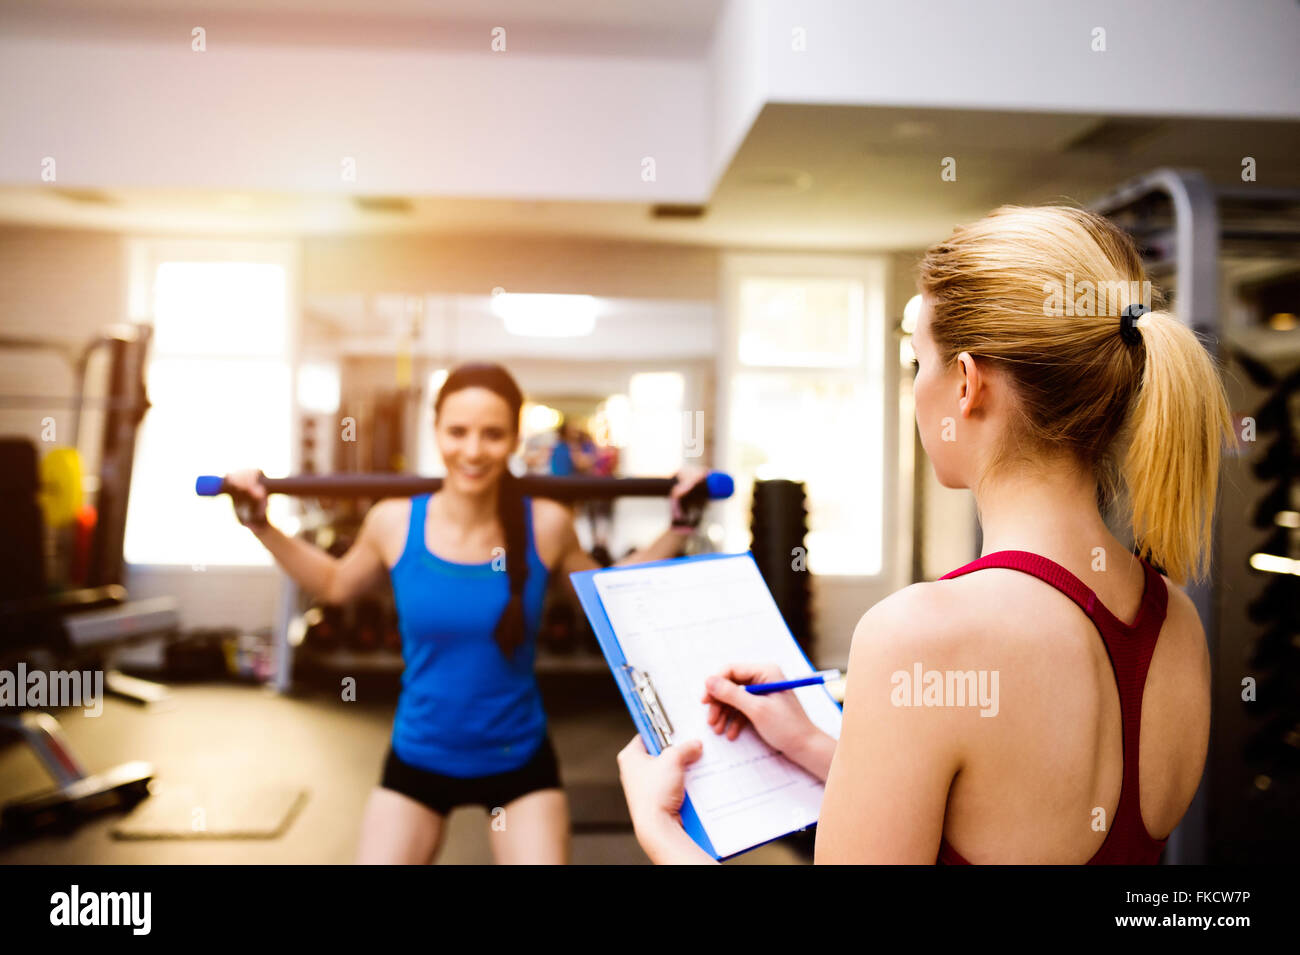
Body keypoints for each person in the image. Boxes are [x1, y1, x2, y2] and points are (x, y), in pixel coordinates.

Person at [617, 204, 1231, 864]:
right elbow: (995, 812)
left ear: (966, 384)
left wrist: (661, 831)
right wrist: (810, 744)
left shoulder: (921, 634)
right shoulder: (1176, 621)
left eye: (919, 363)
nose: (917, 390)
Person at [225, 363, 704, 864]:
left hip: (518, 760)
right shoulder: (393, 521)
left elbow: (608, 597)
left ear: (515, 439)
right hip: (419, 756)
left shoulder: (546, 524)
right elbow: (334, 585)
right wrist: (261, 525)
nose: (473, 451)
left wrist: (679, 526)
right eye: (458, 432)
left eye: (492, 434)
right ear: (436, 432)